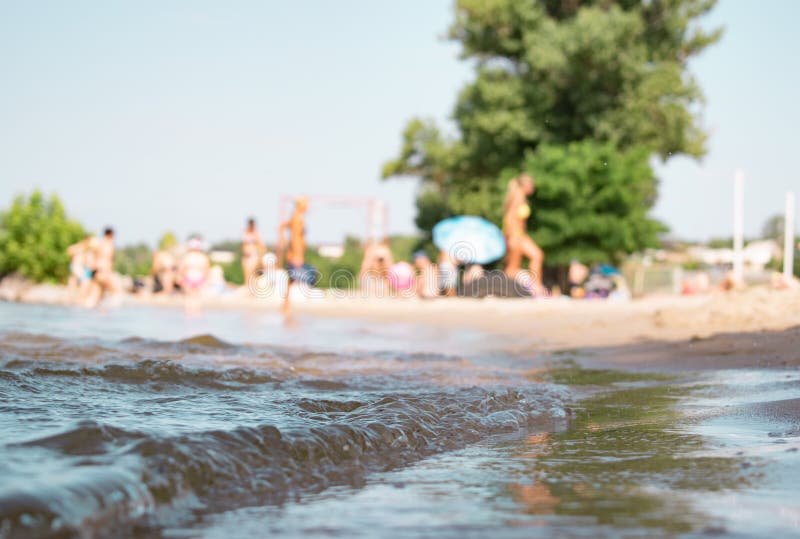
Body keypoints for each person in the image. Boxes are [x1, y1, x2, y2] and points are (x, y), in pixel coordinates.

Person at [503, 173, 545, 294]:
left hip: (520, 235)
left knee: (537, 255)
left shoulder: (521, 197)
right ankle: (505, 288)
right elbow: (509, 218)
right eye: (531, 184)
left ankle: (536, 287)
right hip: (516, 235)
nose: (533, 187)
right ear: (525, 185)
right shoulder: (517, 197)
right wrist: (510, 236)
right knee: (513, 268)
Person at [277, 196, 312, 312]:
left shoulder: (295, 216)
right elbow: (295, 238)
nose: (308, 207)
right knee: (308, 275)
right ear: (301, 205)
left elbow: (282, 226)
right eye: (306, 204)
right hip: (295, 255)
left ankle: (286, 303)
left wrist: (282, 239)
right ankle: (287, 304)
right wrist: (298, 255)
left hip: (294, 253)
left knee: (291, 279)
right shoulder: (297, 218)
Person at [84, 227, 117, 307]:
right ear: (110, 234)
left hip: (98, 269)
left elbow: (93, 255)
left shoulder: (99, 243)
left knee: (97, 292)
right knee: (115, 290)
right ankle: (99, 309)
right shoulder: (108, 245)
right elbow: (109, 260)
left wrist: (92, 266)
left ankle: (89, 309)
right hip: (103, 270)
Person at [241, 217, 264, 288]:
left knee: (252, 272)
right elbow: (243, 244)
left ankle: (252, 287)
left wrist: (260, 256)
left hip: (253, 255)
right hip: (246, 256)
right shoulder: (245, 232)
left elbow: (261, 245)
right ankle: (247, 287)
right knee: (246, 273)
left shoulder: (256, 233)